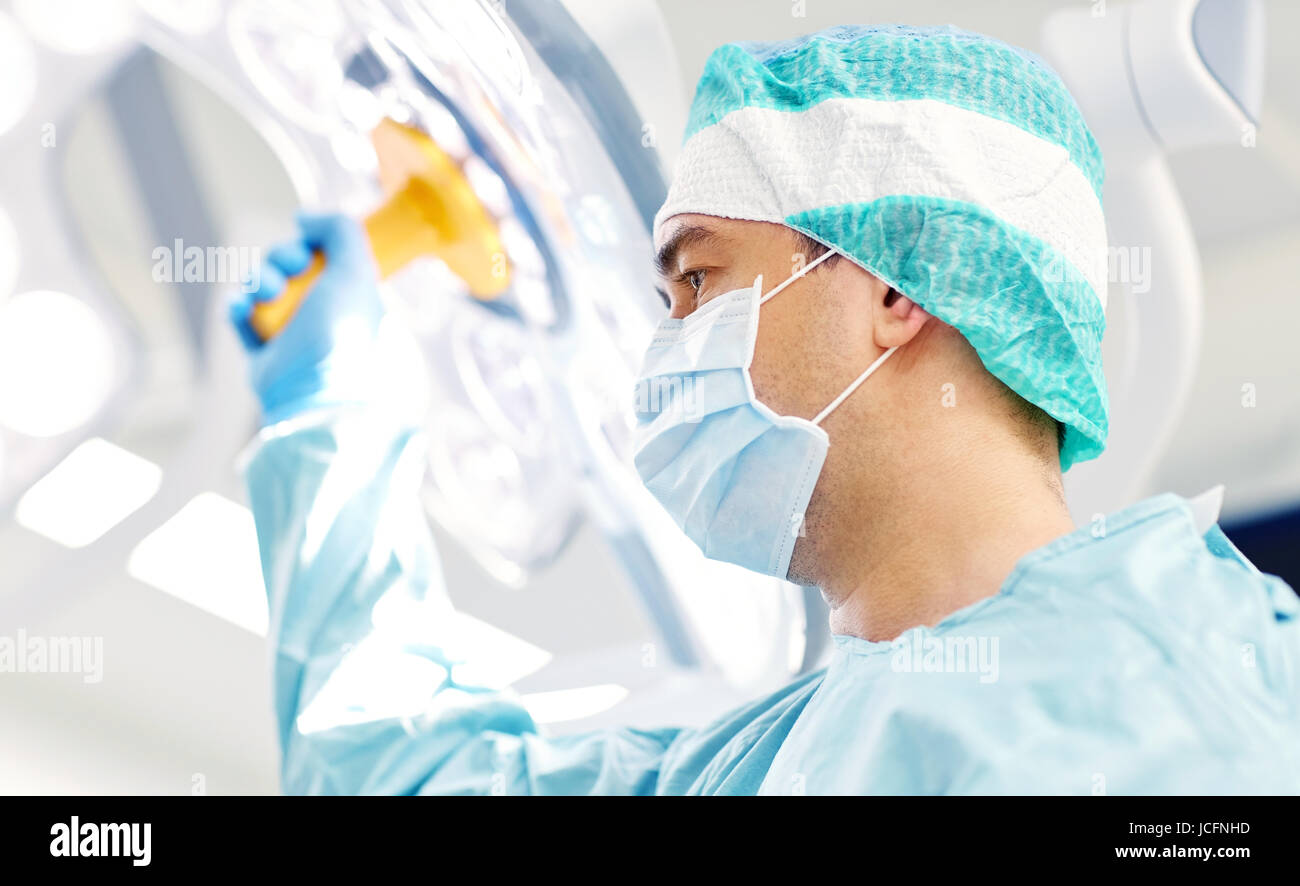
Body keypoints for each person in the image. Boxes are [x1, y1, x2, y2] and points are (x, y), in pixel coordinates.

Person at [230, 25, 1300, 794]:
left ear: (895, 289)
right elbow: (390, 774)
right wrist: (330, 419)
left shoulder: (1173, 701)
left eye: (697, 282)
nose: (662, 350)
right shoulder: (772, 756)